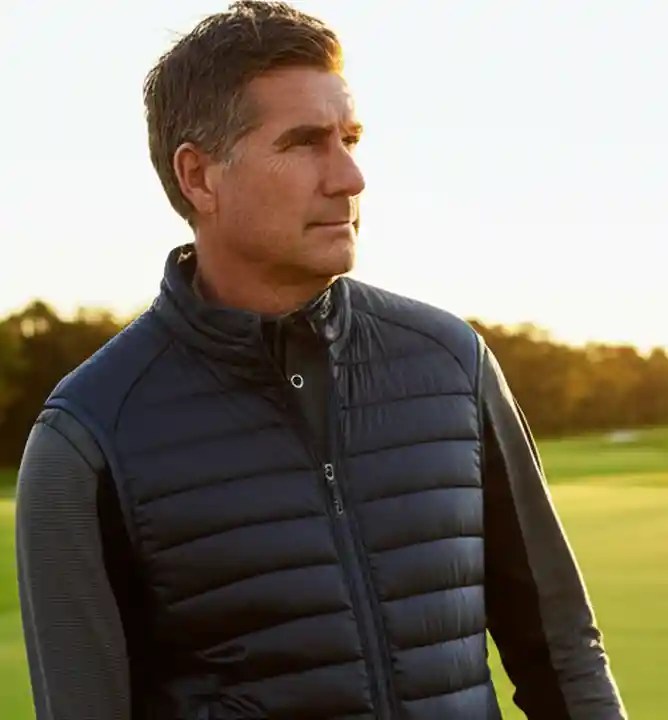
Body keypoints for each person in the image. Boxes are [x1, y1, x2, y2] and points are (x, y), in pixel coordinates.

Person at [13, 2, 627, 718]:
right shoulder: (87, 438)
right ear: (199, 177)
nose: (350, 176)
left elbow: (563, 655)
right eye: (306, 143)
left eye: (351, 137)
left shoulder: (451, 363)